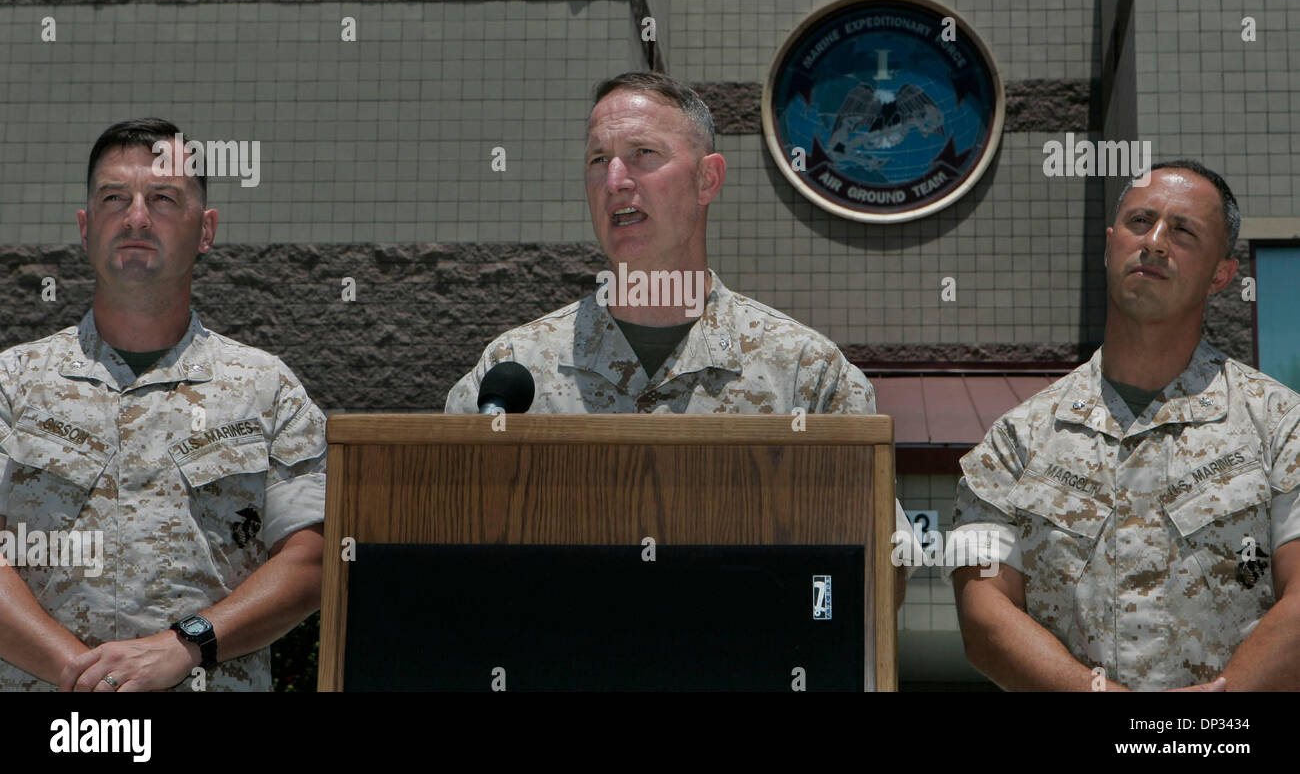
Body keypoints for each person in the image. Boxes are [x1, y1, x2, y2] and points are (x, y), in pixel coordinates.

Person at [446, 72, 917, 605]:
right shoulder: (511, 373)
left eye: (643, 153)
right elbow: (441, 550)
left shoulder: (805, 372)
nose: (616, 179)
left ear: (707, 180)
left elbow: (880, 575)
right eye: (598, 159)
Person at [0, 119, 327, 692]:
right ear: (85, 227)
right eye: (113, 198)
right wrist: (86, 678)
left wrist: (187, 645)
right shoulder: (13, 384)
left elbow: (314, 559)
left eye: (163, 199)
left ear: (205, 230)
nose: (135, 218)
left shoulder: (266, 388)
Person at [948, 160, 1300, 691]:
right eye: (1141, 222)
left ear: (1221, 274)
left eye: (1183, 231)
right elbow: (984, 614)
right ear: (1110, 244)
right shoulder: (1014, 442)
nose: (1156, 242)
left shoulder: (1281, 426)